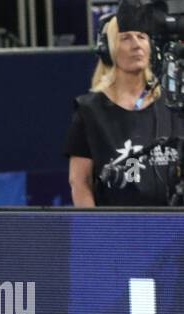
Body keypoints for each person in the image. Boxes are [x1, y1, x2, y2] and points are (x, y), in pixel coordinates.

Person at [66, 5, 184, 207]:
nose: (136, 45)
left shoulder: (173, 104)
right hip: (118, 231)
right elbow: (79, 182)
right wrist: (96, 229)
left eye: (141, 37)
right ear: (107, 49)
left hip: (173, 230)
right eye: (126, 38)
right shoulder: (90, 111)